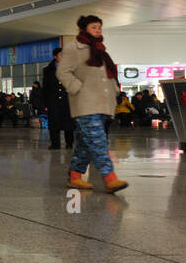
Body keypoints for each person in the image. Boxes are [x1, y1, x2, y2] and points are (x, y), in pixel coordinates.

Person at [59, 15, 127, 192]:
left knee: (85, 144)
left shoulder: (100, 50)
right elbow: (63, 72)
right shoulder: (74, 48)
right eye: (93, 27)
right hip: (85, 104)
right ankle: (110, 178)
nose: (97, 31)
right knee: (98, 142)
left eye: (99, 27)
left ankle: (75, 176)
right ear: (84, 29)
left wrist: (115, 92)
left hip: (102, 104)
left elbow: (107, 77)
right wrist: (77, 88)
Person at [42, 49, 74, 150]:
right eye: (61, 55)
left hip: (67, 101)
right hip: (53, 101)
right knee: (54, 124)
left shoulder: (71, 69)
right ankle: (55, 144)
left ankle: (69, 143)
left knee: (68, 124)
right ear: (55, 56)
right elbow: (45, 87)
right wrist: (45, 104)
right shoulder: (48, 70)